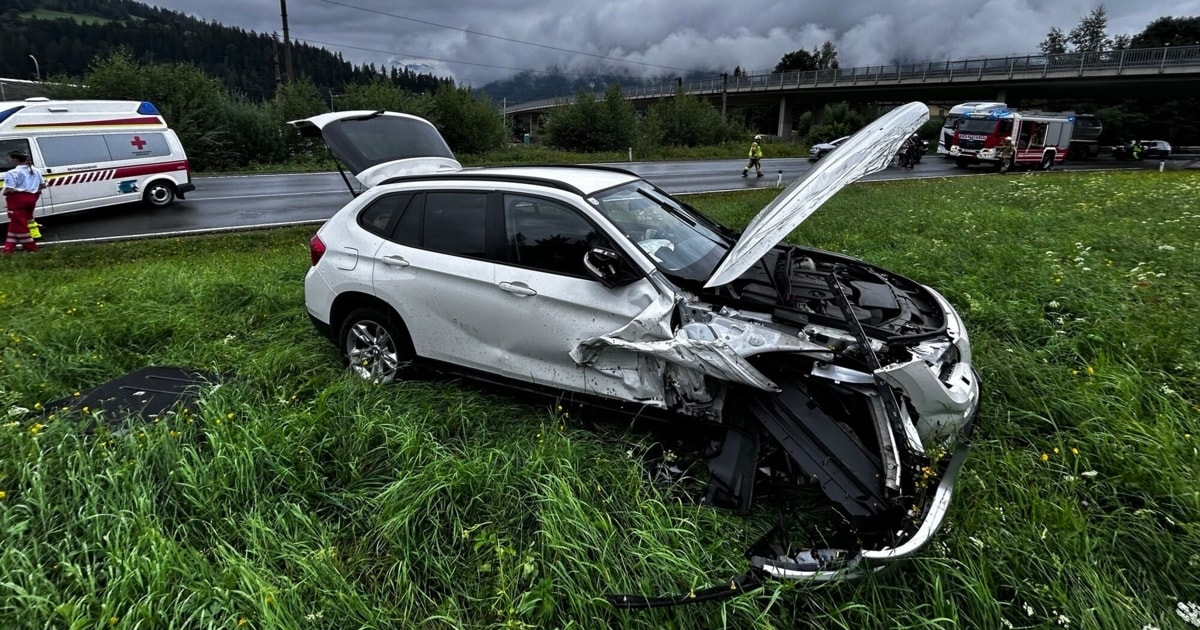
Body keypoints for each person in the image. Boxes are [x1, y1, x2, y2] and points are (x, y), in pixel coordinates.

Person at [3, 150, 45, 254]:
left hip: (17, 200)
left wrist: (5, 192)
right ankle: (8, 248)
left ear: (15, 160)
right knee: (15, 223)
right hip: (32, 198)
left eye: (10, 158)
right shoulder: (36, 170)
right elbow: (43, 185)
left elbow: (10, 189)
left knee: (20, 225)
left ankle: (31, 248)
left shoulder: (12, 173)